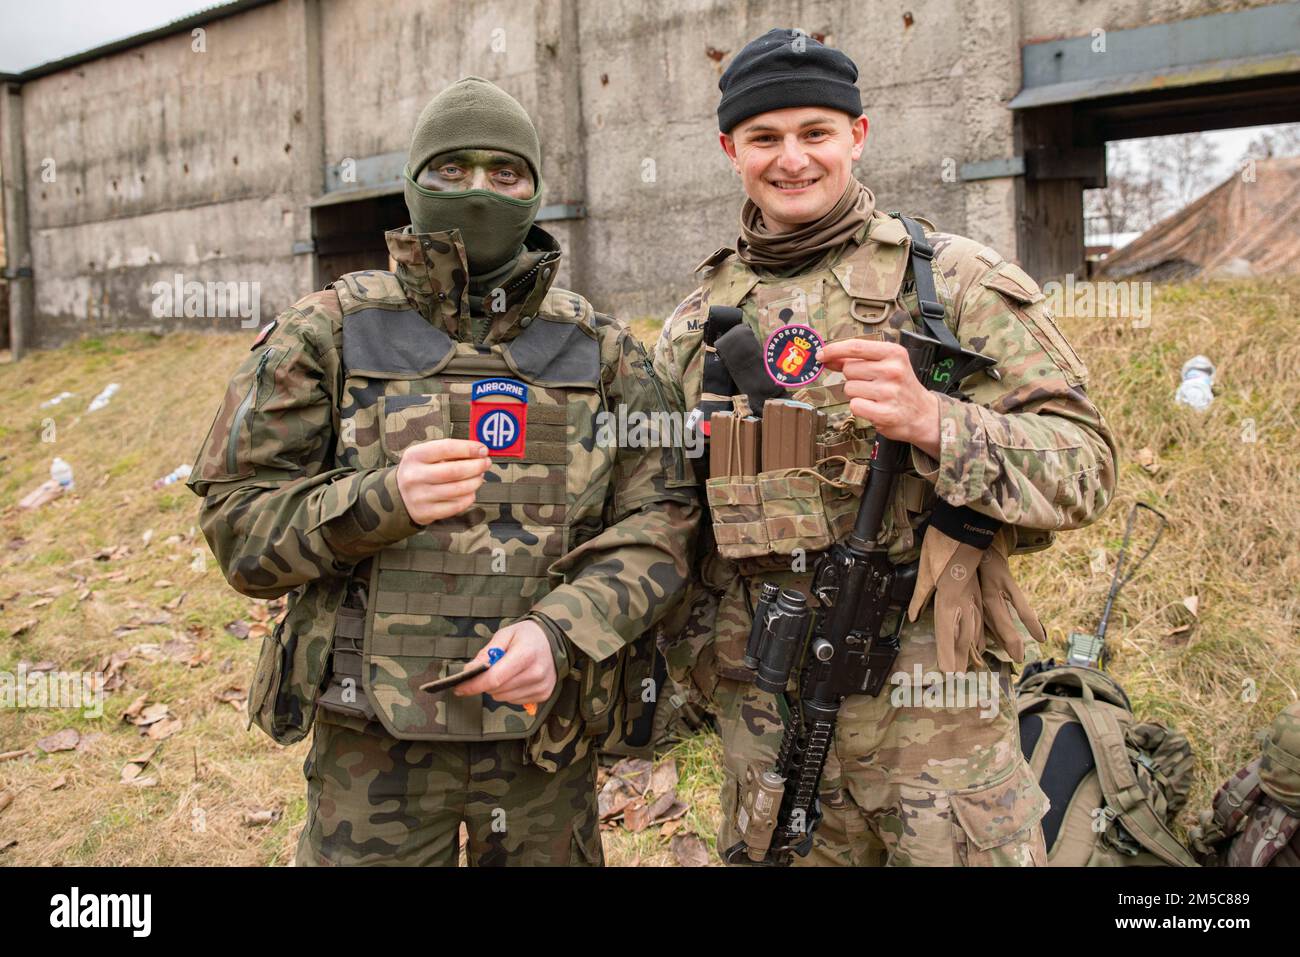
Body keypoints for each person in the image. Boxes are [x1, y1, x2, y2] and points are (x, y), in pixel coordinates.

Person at [188, 76, 698, 866]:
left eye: (506, 173)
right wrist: (379, 500)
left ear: (535, 191)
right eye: (452, 169)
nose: (480, 191)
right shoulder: (323, 336)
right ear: (412, 184)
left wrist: (559, 631)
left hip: (543, 743)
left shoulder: (602, 352)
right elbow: (238, 531)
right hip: (371, 750)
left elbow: (663, 523)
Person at [653, 29, 1118, 866]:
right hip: (769, 731)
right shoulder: (694, 324)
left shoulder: (952, 283)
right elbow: (660, 515)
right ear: (731, 150)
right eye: (765, 138)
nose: (792, 159)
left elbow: (1085, 465)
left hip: (934, 726)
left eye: (815, 133)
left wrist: (937, 422)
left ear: (857, 137)